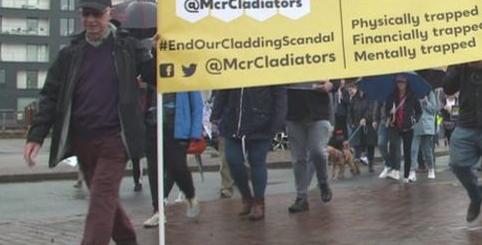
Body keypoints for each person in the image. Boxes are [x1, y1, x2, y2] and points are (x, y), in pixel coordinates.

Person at [24, 0, 153, 245]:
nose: (91, 20)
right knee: (103, 199)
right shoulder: (71, 54)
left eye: (97, 14)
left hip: (115, 139)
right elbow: (50, 96)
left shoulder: (128, 48)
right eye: (86, 14)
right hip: (83, 141)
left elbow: (156, 75)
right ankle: (129, 244)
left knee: (100, 201)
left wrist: (160, 53)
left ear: (110, 14)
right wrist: (36, 136)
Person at [443, 60, 482, 234]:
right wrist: (456, 66)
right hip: (466, 123)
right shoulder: (461, 60)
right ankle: (476, 193)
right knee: (457, 163)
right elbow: (448, 88)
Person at [211, 85, 287, 221]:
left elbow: (279, 94)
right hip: (234, 122)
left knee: (257, 160)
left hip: (262, 122)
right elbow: (223, 89)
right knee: (232, 159)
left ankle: (259, 202)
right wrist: (215, 115)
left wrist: (278, 122)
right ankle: (246, 196)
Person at [142, 88, 203, 227]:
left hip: (176, 128)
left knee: (177, 166)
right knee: (154, 168)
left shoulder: (185, 74)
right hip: (153, 124)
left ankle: (190, 195)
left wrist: (195, 133)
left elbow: (197, 105)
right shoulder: (152, 73)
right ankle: (158, 210)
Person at [285, 81, 337, 213]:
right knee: (298, 158)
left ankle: (323, 181)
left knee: (318, 151)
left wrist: (332, 84)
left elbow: (338, 74)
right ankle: (301, 197)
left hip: (318, 112)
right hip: (294, 112)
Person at [383, 75, 422, 182]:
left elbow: (419, 111)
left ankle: (406, 175)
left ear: (406, 84)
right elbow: (386, 111)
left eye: (402, 82)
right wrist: (390, 113)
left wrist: (414, 120)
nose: (400, 84)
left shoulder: (412, 96)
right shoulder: (391, 96)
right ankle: (395, 170)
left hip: (408, 127)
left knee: (407, 151)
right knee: (394, 147)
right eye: (398, 82)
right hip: (394, 125)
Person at [346, 83, 378, 173]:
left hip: (368, 125)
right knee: (357, 145)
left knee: (370, 145)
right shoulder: (354, 98)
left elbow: (370, 109)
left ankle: (370, 163)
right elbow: (350, 111)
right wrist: (351, 122)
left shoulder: (370, 97)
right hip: (356, 124)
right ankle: (355, 165)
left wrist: (365, 118)